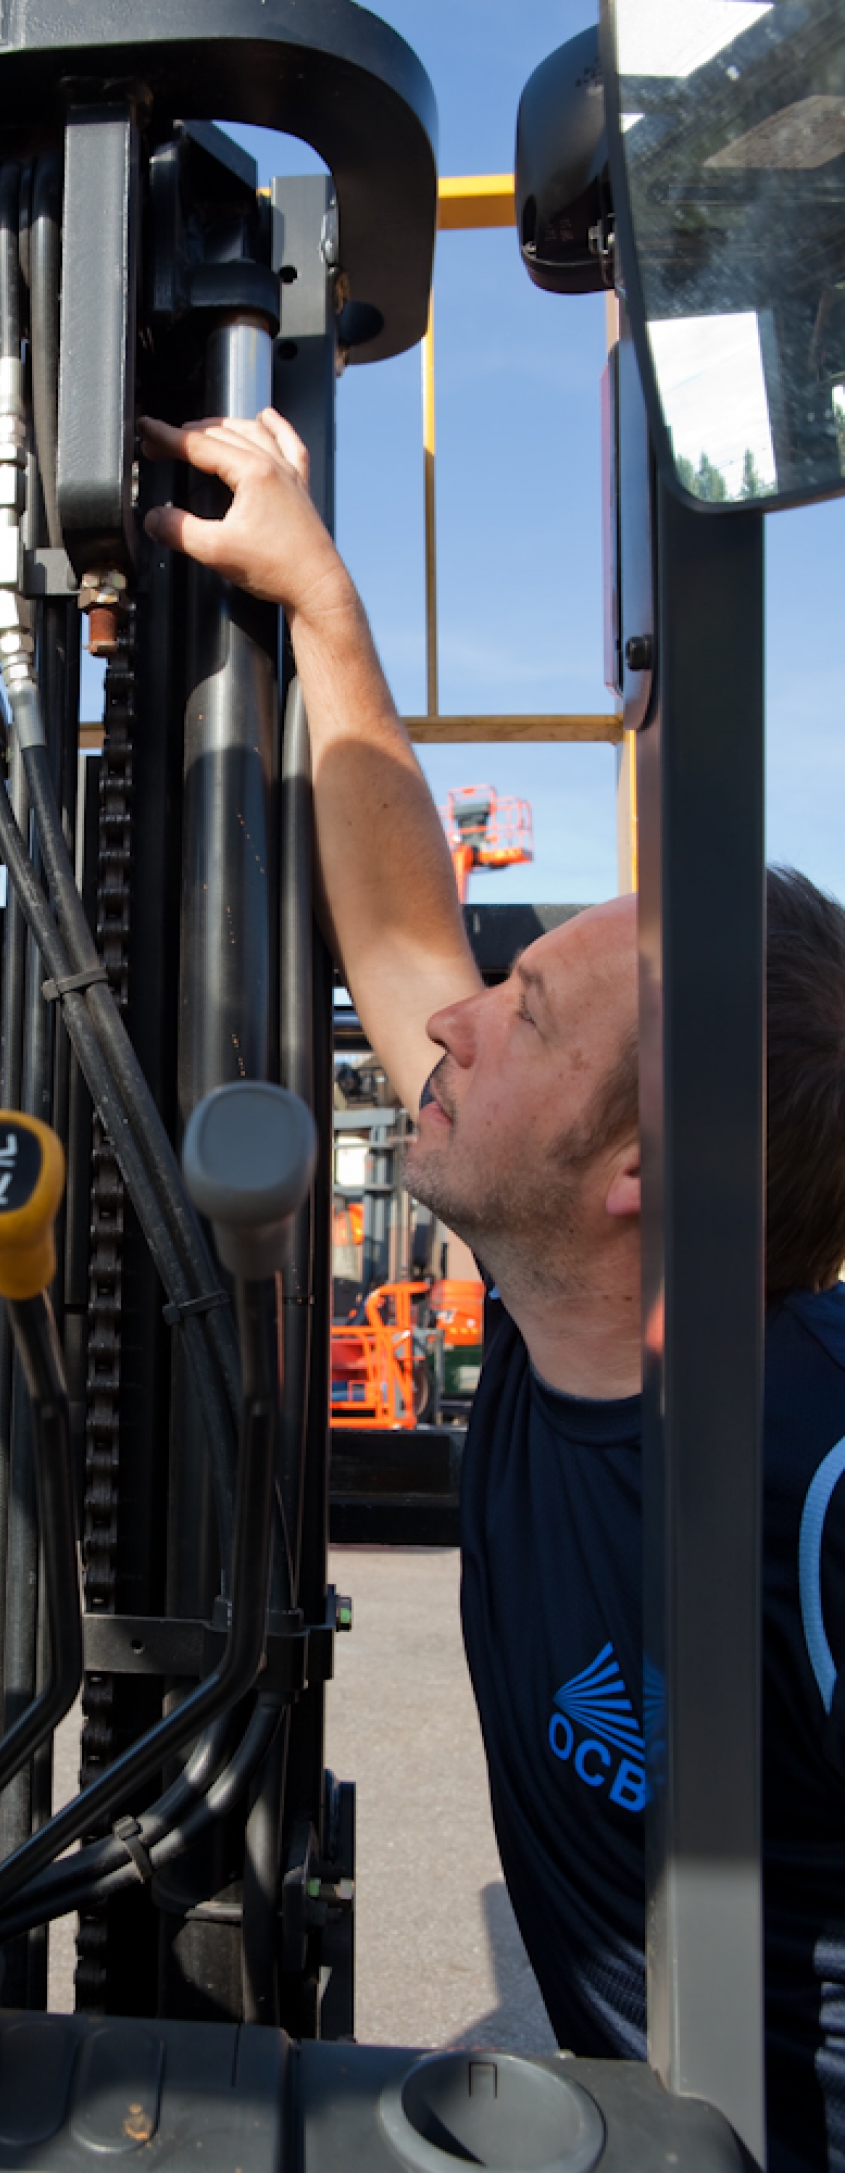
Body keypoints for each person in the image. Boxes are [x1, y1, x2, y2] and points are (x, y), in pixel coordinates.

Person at [140, 407, 845, 2172]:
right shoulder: (553, 1309)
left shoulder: (816, 1493)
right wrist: (316, 596)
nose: (453, 1016)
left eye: (521, 1012)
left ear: (642, 1180)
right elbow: (392, 923)